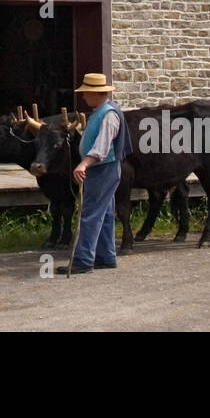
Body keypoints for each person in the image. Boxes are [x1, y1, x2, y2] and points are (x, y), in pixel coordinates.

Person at [66, 73, 132, 275]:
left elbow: (102, 147)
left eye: (86, 93)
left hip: (104, 169)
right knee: (104, 213)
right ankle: (105, 256)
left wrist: (83, 164)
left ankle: (84, 260)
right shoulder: (101, 111)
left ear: (96, 94)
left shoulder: (109, 114)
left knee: (91, 213)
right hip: (103, 169)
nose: (84, 97)